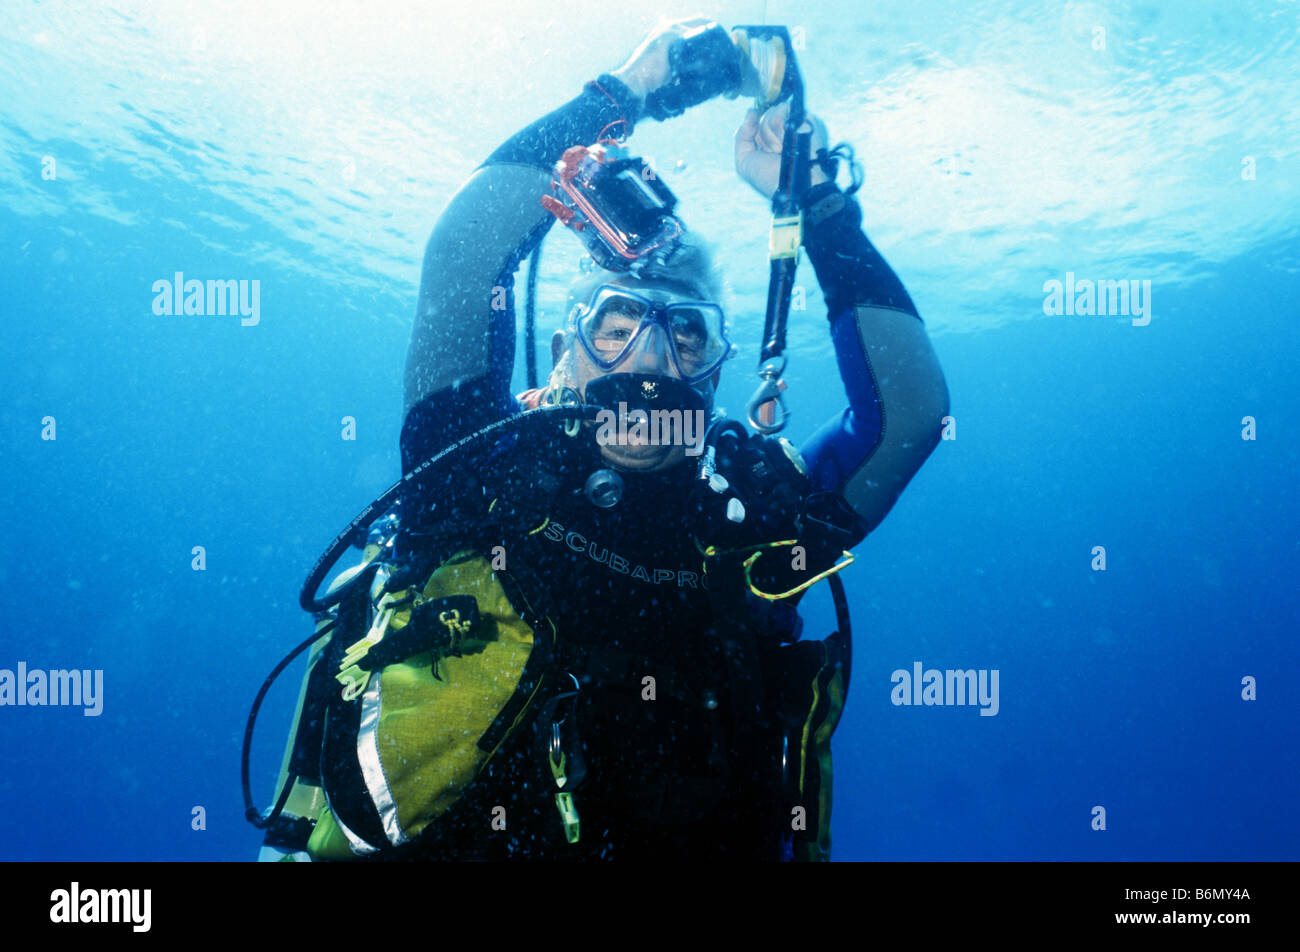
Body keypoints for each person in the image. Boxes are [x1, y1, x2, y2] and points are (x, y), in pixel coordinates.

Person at [256, 17, 949, 862]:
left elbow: (909, 418)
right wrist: (625, 94)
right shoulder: (477, 469)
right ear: (561, 350)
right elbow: (468, 250)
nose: (650, 359)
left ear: (718, 371)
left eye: (685, 335)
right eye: (617, 324)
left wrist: (821, 207)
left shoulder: (754, 516)